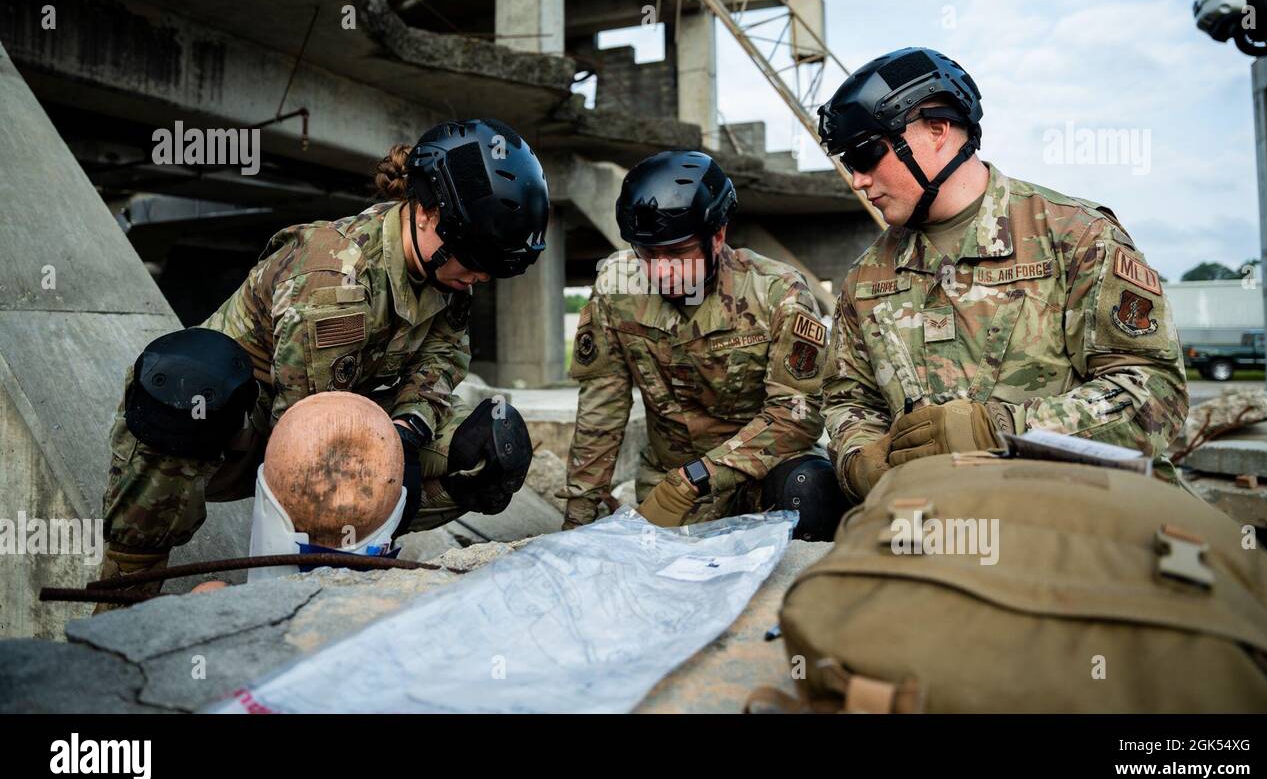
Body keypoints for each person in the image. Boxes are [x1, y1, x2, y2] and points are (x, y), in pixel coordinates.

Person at [98, 119, 548, 601]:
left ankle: (353, 562)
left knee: (489, 448)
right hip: (241, 435)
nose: (478, 276)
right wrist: (384, 461)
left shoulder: (450, 270)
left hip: (346, 417)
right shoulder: (335, 277)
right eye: (475, 258)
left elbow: (442, 358)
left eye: (489, 268)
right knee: (186, 388)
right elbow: (307, 434)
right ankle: (127, 594)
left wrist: (406, 434)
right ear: (426, 212)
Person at [817, 47, 1188, 500]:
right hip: (938, 522)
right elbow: (849, 399)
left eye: (866, 154)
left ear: (937, 130)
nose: (857, 180)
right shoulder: (866, 277)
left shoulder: (1075, 236)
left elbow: (1154, 394)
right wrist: (860, 459)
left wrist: (1002, 430)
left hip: (1082, 513)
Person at [561, 150, 846, 540]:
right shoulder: (617, 286)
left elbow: (797, 415)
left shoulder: (775, 291)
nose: (662, 271)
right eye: (648, 255)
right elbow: (601, 410)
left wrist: (698, 477)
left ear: (717, 235)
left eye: (678, 254)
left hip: (756, 477)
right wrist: (577, 521)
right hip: (665, 487)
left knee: (811, 491)